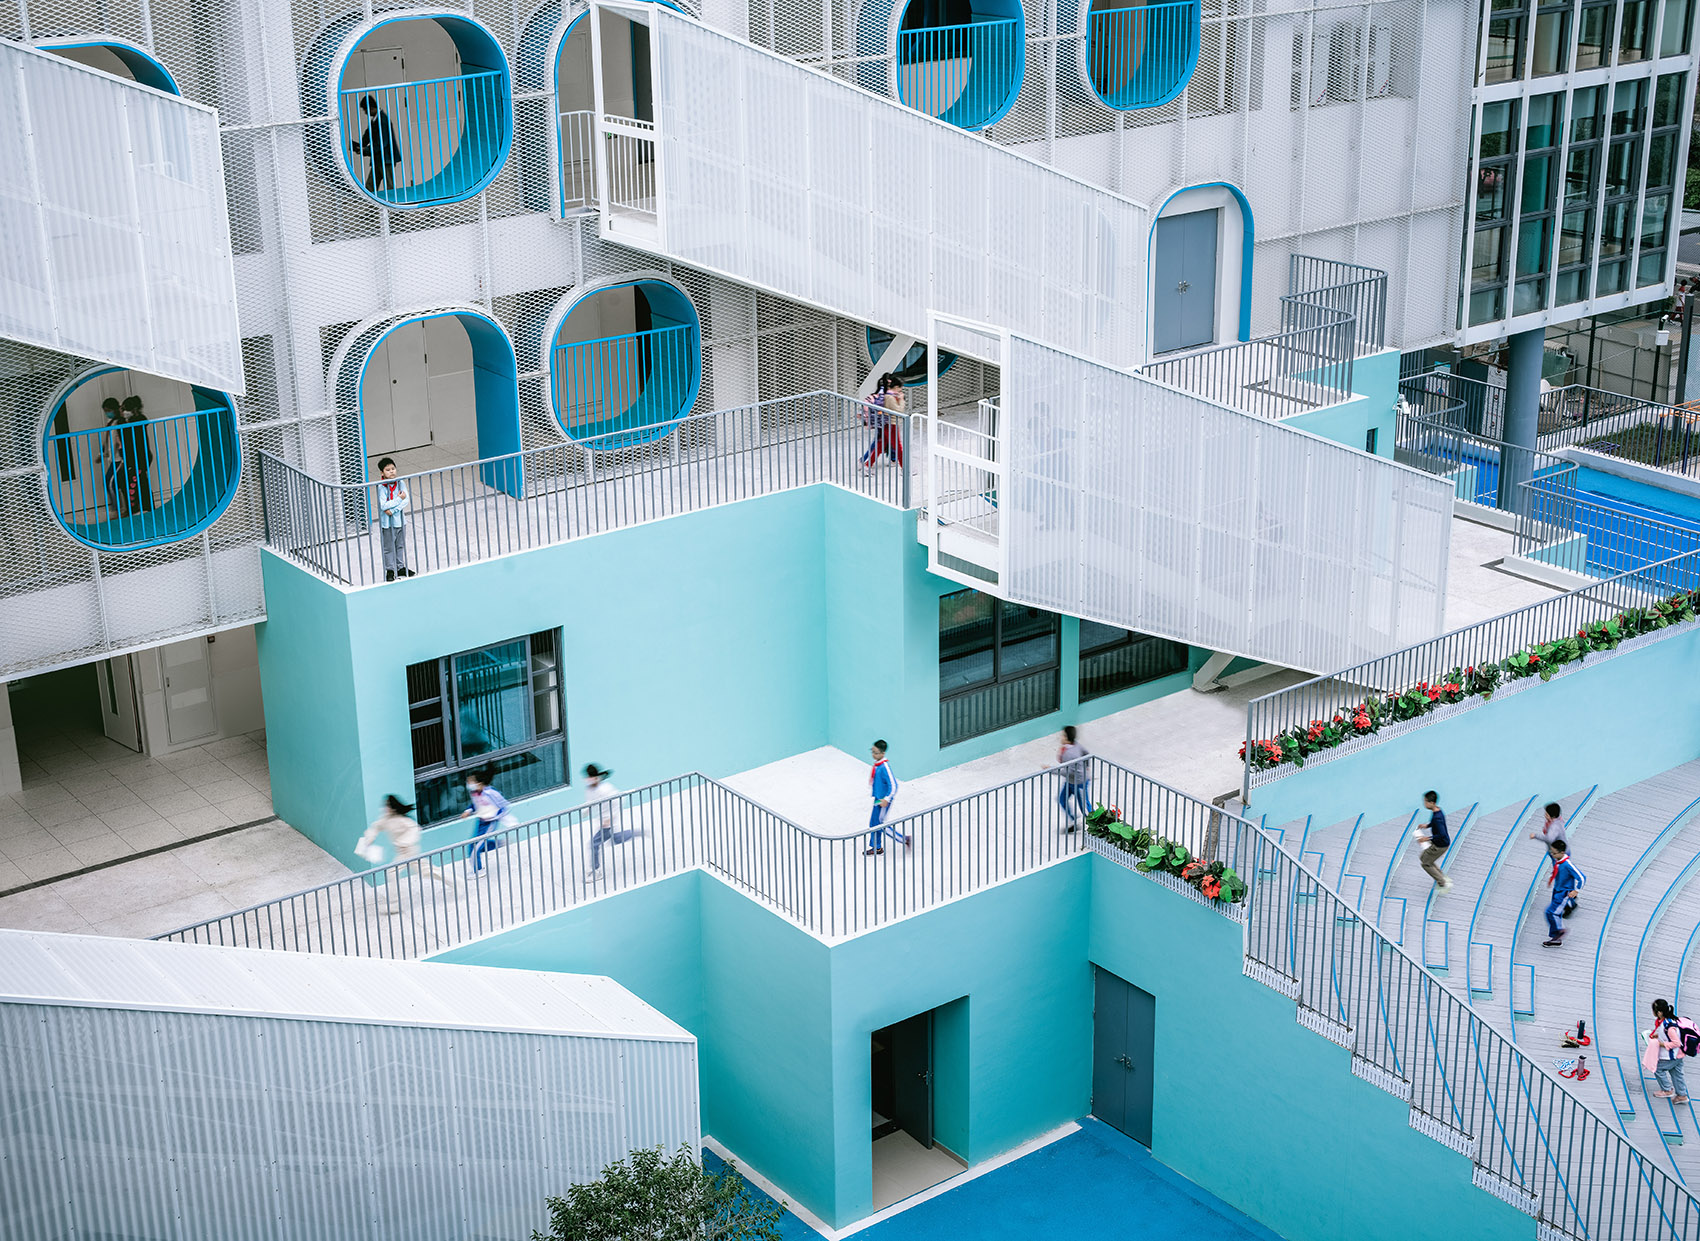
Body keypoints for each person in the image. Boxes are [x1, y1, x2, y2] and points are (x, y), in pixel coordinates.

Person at [355, 793, 457, 914]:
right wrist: (368, 840)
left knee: (394, 872)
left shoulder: (403, 820)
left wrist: (402, 842)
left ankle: (394, 905)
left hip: (409, 851)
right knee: (426, 871)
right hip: (402, 851)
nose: (384, 808)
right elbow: (375, 827)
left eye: (387, 806)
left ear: (392, 807)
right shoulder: (386, 819)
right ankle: (456, 882)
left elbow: (415, 830)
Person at [459, 769, 514, 874]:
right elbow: (475, 805)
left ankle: (478, 871)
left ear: (479, 783)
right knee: (477, 845)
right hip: (481, 822)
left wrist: (499, 818)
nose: (468, 784)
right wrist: (468, 811)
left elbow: (503, 806)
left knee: (474, 848)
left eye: (470, 781)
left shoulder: (491, 793)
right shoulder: (474, 792)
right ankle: (498, 843)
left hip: (490, 823)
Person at [585, 763, 636, 878]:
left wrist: (610, 819)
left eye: (591, 777)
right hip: (602, 821)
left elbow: (619, 801)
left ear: (596, 778)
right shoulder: (589, 789)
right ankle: (635, 832)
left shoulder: (606, 789)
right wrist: (586, 810)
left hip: (608, 823)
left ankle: (596, 871)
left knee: (594, 844)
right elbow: (590, 801)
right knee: (617, 839)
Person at [864, 739, 910, 855]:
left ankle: (904, 839)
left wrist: (887, 799)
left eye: (876, 753)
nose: (873, 755)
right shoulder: (877, 765)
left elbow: (894, 785)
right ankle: (876, 847)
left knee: (881, 824)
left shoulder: (884, 767)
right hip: (878, 799)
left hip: (884, 800)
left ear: (882, 753)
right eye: (872, 752)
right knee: (873, 823)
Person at [351, 96, 401, 192]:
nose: (365, 113)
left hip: (385, 159)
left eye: (365, 110)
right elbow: (368, 135)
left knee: (386, 186)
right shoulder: (377, 119)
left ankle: (387, 201)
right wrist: (362, 146)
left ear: (371, 108)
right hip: (380, 158)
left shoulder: (382, 121)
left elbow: (382, 142)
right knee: (372, 185)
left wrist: (365, 149)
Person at [1541, 838, 1586, 947]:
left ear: (1562, 852)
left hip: (1564, 892)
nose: (1552, 855)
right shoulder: (1557, 860)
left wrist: (1576, 890)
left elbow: (1581, 877)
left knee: (1551, 912)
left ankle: (1559, 933)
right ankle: (1556, 935)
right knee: (1555, 912)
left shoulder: (1567, 864)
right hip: (1557, 890)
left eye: (1554, 853)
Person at [375, 457, 413, 582]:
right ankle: (390, 570)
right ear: (382, 473)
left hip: (400, 521)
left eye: (393, 468)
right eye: (388, 470)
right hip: (388, 524)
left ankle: (400, 567)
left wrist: (393, 510)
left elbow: (406, 500)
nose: (391, 471)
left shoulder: (400, 483)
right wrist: (398, 499)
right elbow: (383, 505)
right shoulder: (381, 487)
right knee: (389, 548)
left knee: (400, 545)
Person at [1647, 999, 1691, 1103]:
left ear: (1659, 1012)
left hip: (1673, 1055)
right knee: (1676, 1074)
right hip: (1679, 1054)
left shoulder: (1668, 1026)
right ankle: (1682, 1095)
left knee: (1657, 1068)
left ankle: (1667, 1090)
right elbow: (1670, 1035)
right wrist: (1658, 1036)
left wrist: (1660, 1044)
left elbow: (1676, 1043)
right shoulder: (1671, 1020)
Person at [861, 373, 905, 471]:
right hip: (891, 424)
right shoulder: (889, 397)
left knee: (880, 445)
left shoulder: (886, 394)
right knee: (897, 447)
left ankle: (867, 465)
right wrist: (901, 400)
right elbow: (899, 410)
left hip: (886, 423)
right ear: (896, 387)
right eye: (900, 388)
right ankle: (905, 468)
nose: (901, 391)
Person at [1052, 725, 1091, 831]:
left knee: (1084, 806)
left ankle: (1095, 825)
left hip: (1079, 783)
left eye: (1062, 735)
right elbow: (1086, 754)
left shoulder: (1070, 753)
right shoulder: (1076, 745)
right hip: (1070, 781)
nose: (1060, 737)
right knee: (1062, 799)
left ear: (1067, 737)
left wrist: (1051, 770)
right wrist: (1086, 767)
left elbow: (1068, 772)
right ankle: (1074, 821)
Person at [118, 395, 153, 515]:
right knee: (139, 481)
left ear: (133, 410)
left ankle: (139, 508)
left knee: (135, 482)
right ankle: (145, 508)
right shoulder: (129, 422)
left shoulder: (138, 422)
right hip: (135, 458)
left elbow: (128, 439)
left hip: (139, 458)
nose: (123, 412)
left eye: (124, 409)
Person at [1415, 790, 1452, 894]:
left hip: (1440, 845)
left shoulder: (1437, 817)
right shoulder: (1437, 811)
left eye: (1426, 802)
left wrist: (1426, 838)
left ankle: (1442, 882)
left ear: (1432, 803)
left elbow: (1442, 834)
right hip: (1439, 843)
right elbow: (1435, 823)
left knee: (1425, 864)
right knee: (1423, 858)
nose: (1424, 804)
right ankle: (1441, 876)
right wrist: (1427, 825)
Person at [97, 399, 127, 517]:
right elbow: (107, 441)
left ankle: (117, 509)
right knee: (115, 483)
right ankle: (120, 508)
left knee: (110, 483)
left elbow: (121, 442)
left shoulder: (120, 422)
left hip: (119, 459)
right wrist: (102, 454)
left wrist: (123, 458)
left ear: (114, 409)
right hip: (113, 459)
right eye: (105, 411)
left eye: (108, 410)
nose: (107, 413)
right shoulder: (111, 423)